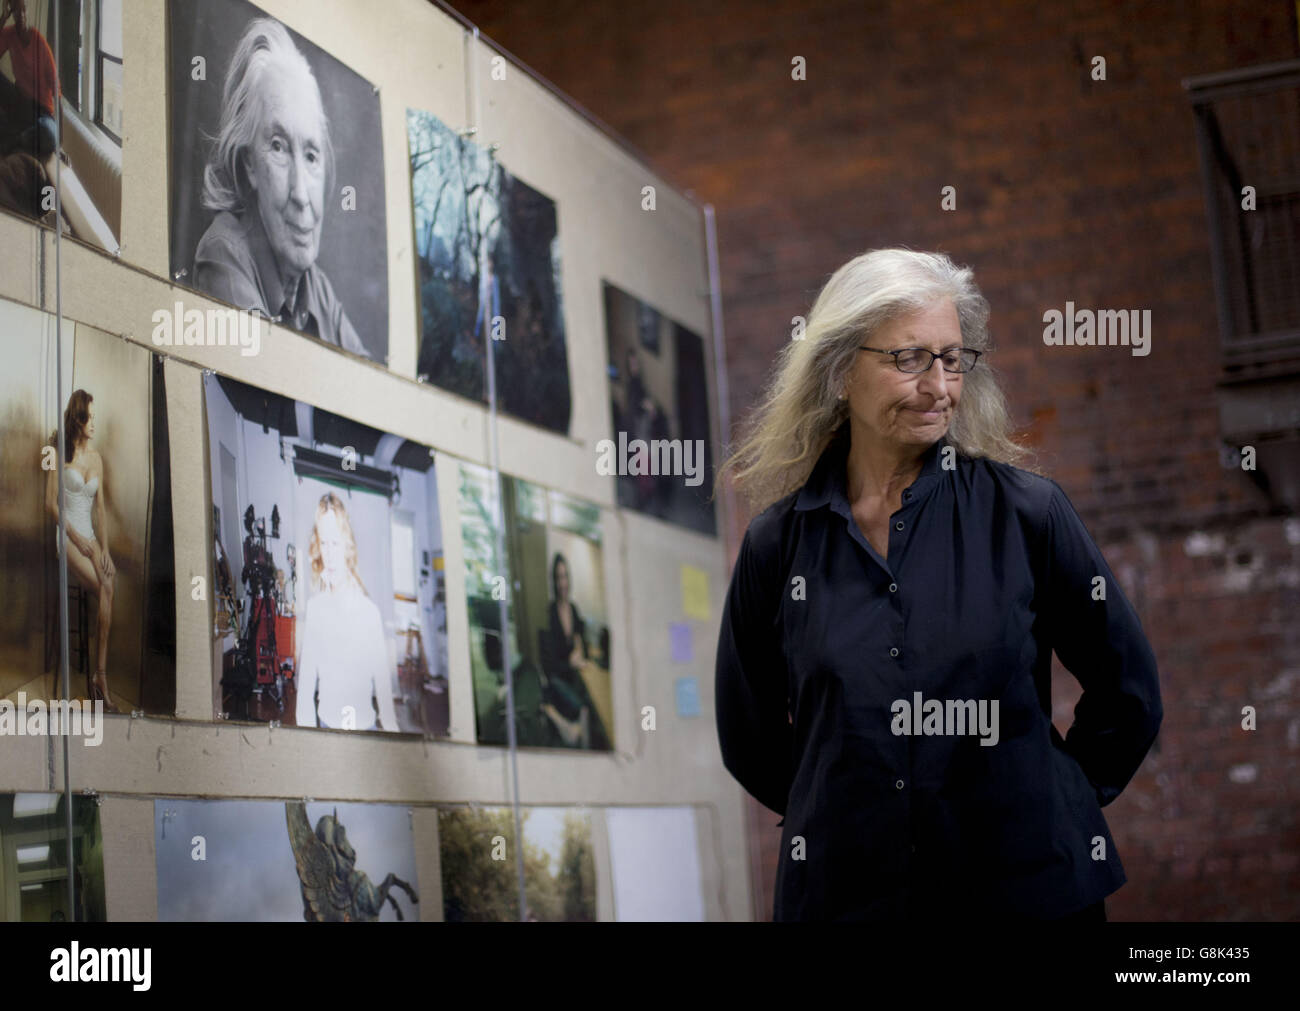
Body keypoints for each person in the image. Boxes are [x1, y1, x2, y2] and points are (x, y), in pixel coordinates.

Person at [714, 249, 1162, 922]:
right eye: (909, 359)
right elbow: (751, 734)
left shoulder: (1028, 514)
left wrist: (1049, 795)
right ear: (839, 371)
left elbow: (1127, 689)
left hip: (1026, 897)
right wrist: (851, 815)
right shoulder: (777, 545)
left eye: (952, 359)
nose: (939, 386)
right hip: (850, 899)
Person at [191, 18, 370, 359]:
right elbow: (271, 385)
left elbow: (370, 391)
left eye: (311, 155)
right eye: (278, 147)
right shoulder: (222, 253)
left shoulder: (316, 288)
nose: (301, 194)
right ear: (249, 165)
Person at [294, 492, 399, 732]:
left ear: (347, 544)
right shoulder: (316, 608)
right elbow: (306, 684)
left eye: (335, 542)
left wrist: (394, 735)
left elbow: (383, 686)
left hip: (366, 730)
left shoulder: (369, 612)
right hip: (326, 727)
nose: (329, 553)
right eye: (324, 543)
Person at [45, 390, 116, 712]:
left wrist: (106, 551)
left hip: (89, 535)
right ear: (78, 418)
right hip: (68, 535)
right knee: (103, 587)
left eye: (94, 417)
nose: (93, 423)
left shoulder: (97, 458)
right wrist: (77, 540)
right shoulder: (60, 452)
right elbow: (50, 505)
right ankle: (99, 679)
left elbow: (100, 509)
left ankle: (100, 676)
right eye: (89, 417)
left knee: (110, 585)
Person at [539, 552, 607, 749]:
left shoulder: (574, 608)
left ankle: (569, 726)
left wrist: (579, 648)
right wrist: (571, 662)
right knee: (584, 706)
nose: (563, 583)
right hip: (557, 675)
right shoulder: (550, 612)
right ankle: (572, 732)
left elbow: (581, 638)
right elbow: (549, 663)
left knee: (590, 700)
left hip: (572, 674)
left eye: (565, 576)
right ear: (554, 581)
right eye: (559, 577)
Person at [0, 0, 59, 165]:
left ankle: (17, 139)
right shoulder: (9, 35)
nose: (22, 16)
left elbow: (57, 93)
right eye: (17, 12)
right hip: (22, 104)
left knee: (48, 135)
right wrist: (3, 17)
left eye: (24, 10)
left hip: (43, 113)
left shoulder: (39, 43)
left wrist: (60, 145)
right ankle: (20, 133)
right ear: (13, 14)